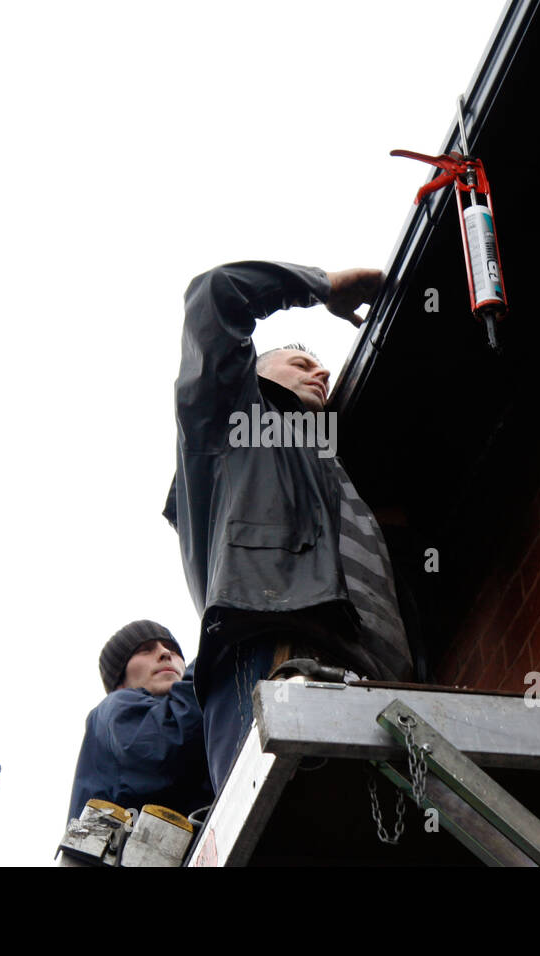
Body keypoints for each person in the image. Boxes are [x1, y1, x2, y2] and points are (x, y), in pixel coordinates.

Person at [162, 261, 414, 792]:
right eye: (301, 362)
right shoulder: (233, 420)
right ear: (253, 372)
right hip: (276, 652)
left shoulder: (327, 469)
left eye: (322, 368)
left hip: (379, 683)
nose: (321, 374)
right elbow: (216, 296)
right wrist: (322, 287)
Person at [67, 620, 214, 820]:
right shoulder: (114, 706)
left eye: (172, 649)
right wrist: (214, 654)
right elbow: (166, 749)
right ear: (119, 681)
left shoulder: (201, 712)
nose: (165, 653)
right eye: (145, 650)